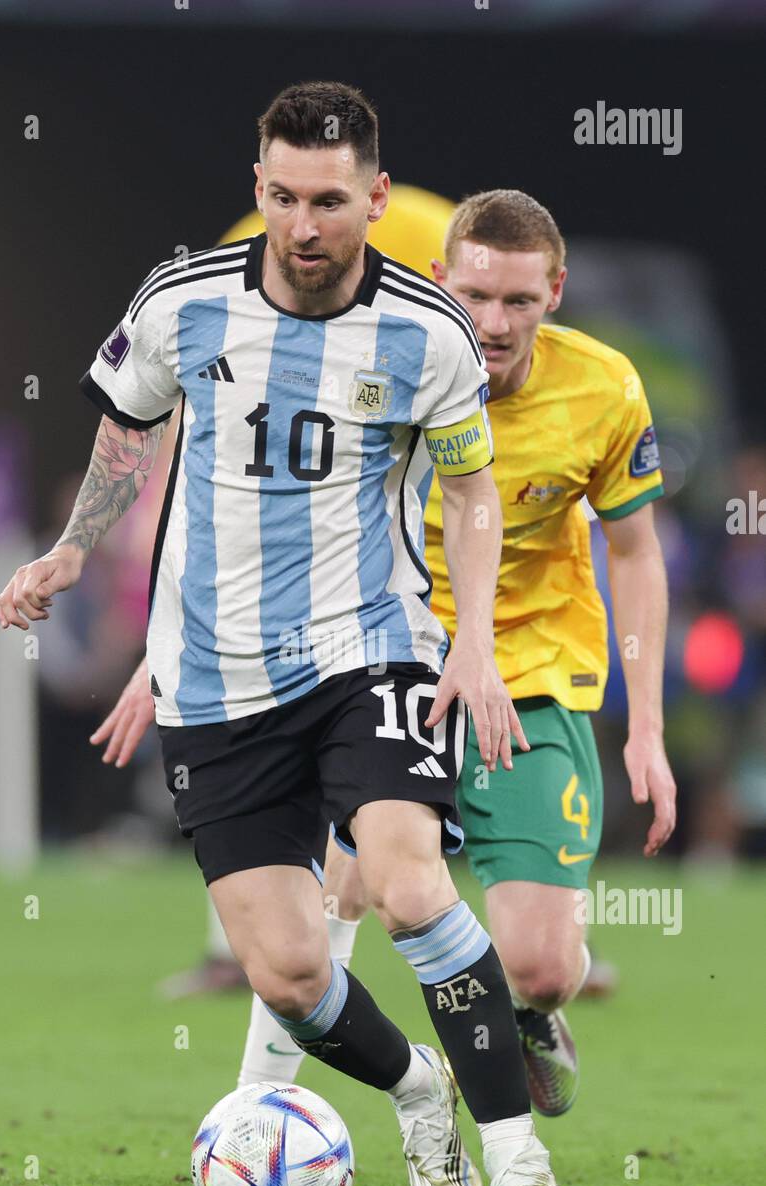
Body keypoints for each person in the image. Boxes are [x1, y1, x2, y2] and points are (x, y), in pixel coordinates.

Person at [0, 82, 569, 1186]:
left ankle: (515, 1163)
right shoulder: (181, 302)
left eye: (330, 200)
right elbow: (126, 430)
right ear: (257, 190)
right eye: (282, 198)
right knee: (291, 974)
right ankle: (416, 1093)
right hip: (214, 676)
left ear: (375, 196)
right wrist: (69, 552)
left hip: (372, 646)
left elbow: (466, 493)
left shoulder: (428, 331)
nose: (304, 227)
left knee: (407, 884)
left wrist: (467, 647)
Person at [98, 188, 678, 1124]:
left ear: (556, 294)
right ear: (443, 279)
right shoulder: (376, 361)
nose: (494, 322)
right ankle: (258, 1115)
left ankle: (528, 1018)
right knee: (336, 893)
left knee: (543, 963)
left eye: (520, 302)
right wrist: (162, 655)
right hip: (377, 659)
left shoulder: (604, 389)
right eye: (478, 296)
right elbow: (254, 517)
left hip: (527, 680)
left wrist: (644, 727)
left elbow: (639, 551)